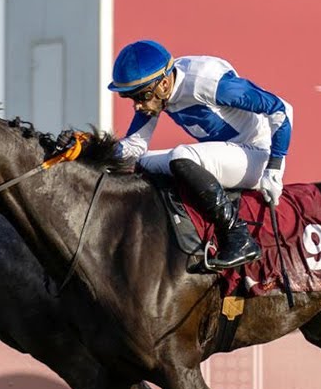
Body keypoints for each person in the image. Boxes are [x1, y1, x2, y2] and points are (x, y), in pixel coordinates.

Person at [107, 39, 293, 270]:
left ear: (164, 83)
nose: (137, 105)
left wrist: (274, 168)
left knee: (181, 156)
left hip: (257, 156)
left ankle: (238, 237)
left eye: (141, 96)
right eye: (130, 97)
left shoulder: (207, 83)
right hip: (225, 155)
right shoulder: (158, 90)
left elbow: (280, 109)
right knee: (141, 164)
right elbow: (134, 147)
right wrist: (88, 150)